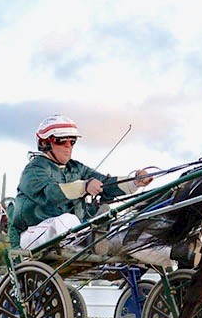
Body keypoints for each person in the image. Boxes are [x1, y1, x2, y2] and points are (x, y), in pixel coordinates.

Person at [11, 114, 173, 267]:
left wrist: (135, 181)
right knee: (67, 221)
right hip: (31, 237)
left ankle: (173, 257)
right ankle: (91, 236)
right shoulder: (34, 169)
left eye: (72, 141)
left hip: (70, 234)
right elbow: (50, 194)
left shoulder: (76, 168)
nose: (68, 146)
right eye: (61, 141)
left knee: (120, 225)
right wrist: (84, 186)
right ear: (45, 143)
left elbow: (105, 184)